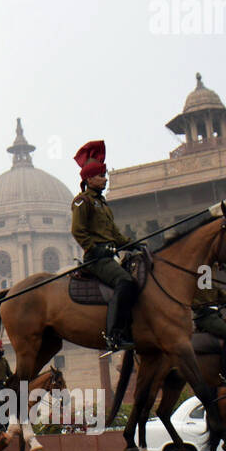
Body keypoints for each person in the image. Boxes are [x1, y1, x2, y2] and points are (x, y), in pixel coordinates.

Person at [70, 141, 139, 351]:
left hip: (109, 256)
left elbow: (114, 234)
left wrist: (133, 244)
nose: (105, 179)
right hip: (96, 258)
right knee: (125, 282)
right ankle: (114, 334)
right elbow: (78, 231)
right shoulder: (82, 202)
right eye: (101, 176)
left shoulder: (102, 204)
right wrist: (94, 248)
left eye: (104, 175)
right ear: (89, 179)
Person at [191, 269, 226, 386]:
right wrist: (200, 307)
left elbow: (224, 298)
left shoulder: (211, 281)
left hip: (215, 316)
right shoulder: (194, 280)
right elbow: (192, 299)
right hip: (205, 317)